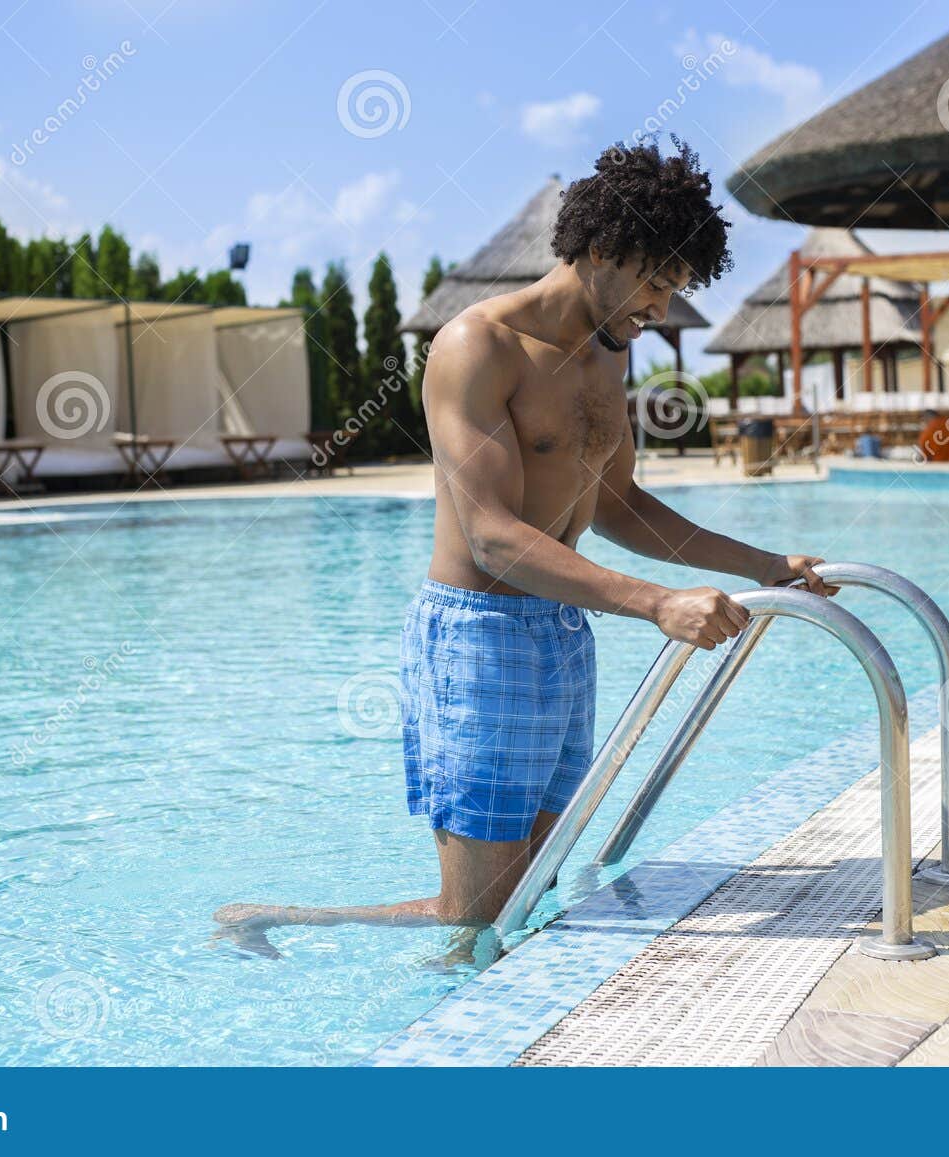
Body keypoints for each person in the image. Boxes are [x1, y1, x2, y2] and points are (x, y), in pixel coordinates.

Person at [215, 140, 837, 939]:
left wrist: (767, 565)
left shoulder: (608, 357)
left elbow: (620, 506)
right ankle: (269, 916)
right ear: (602, 248)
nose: (660, 307)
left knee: (527, 897)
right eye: (655, 281)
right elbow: (492, 538)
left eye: (675, 288)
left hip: (562, 632)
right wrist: (657, 603)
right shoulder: (479, 346)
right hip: (479, 636)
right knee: (473, 912)